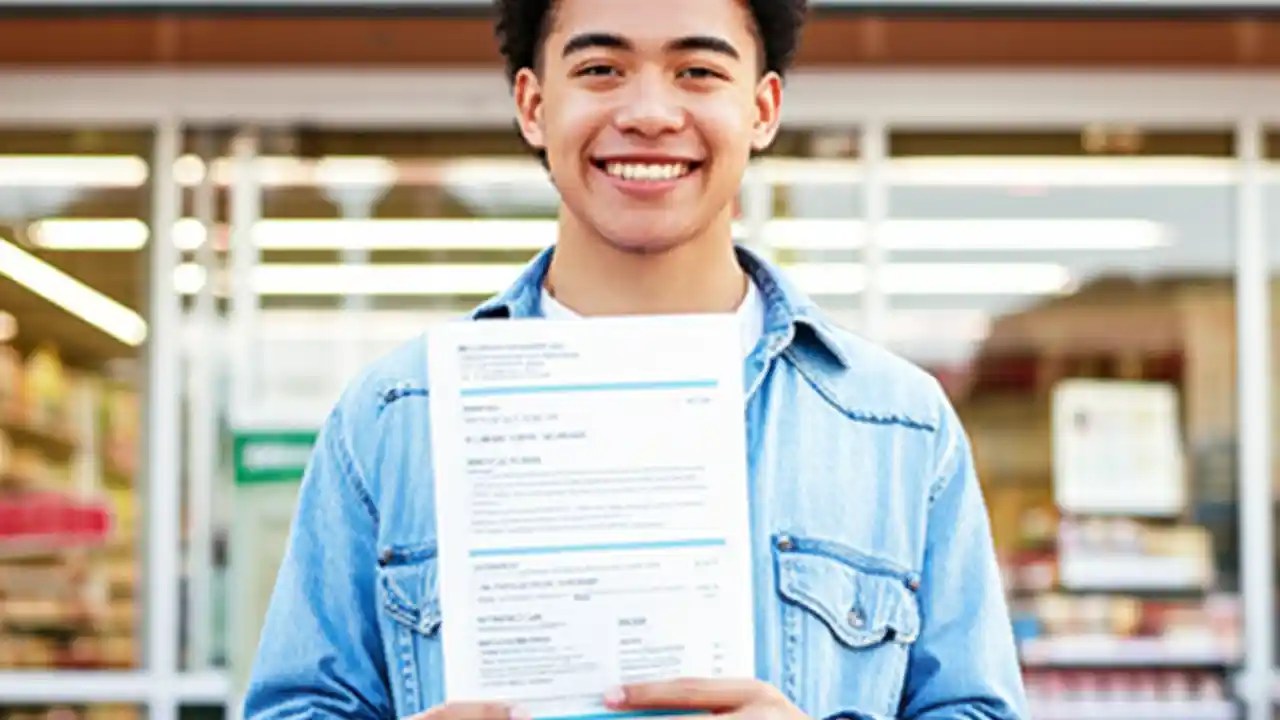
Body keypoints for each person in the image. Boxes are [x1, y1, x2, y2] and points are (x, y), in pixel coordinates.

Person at [243, 0, 1028, 718]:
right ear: (533, 106)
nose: (650, 113)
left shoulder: (896, 427)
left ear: (762, 109)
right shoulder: (394, 417)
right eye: (600, 69)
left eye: (697, 71)